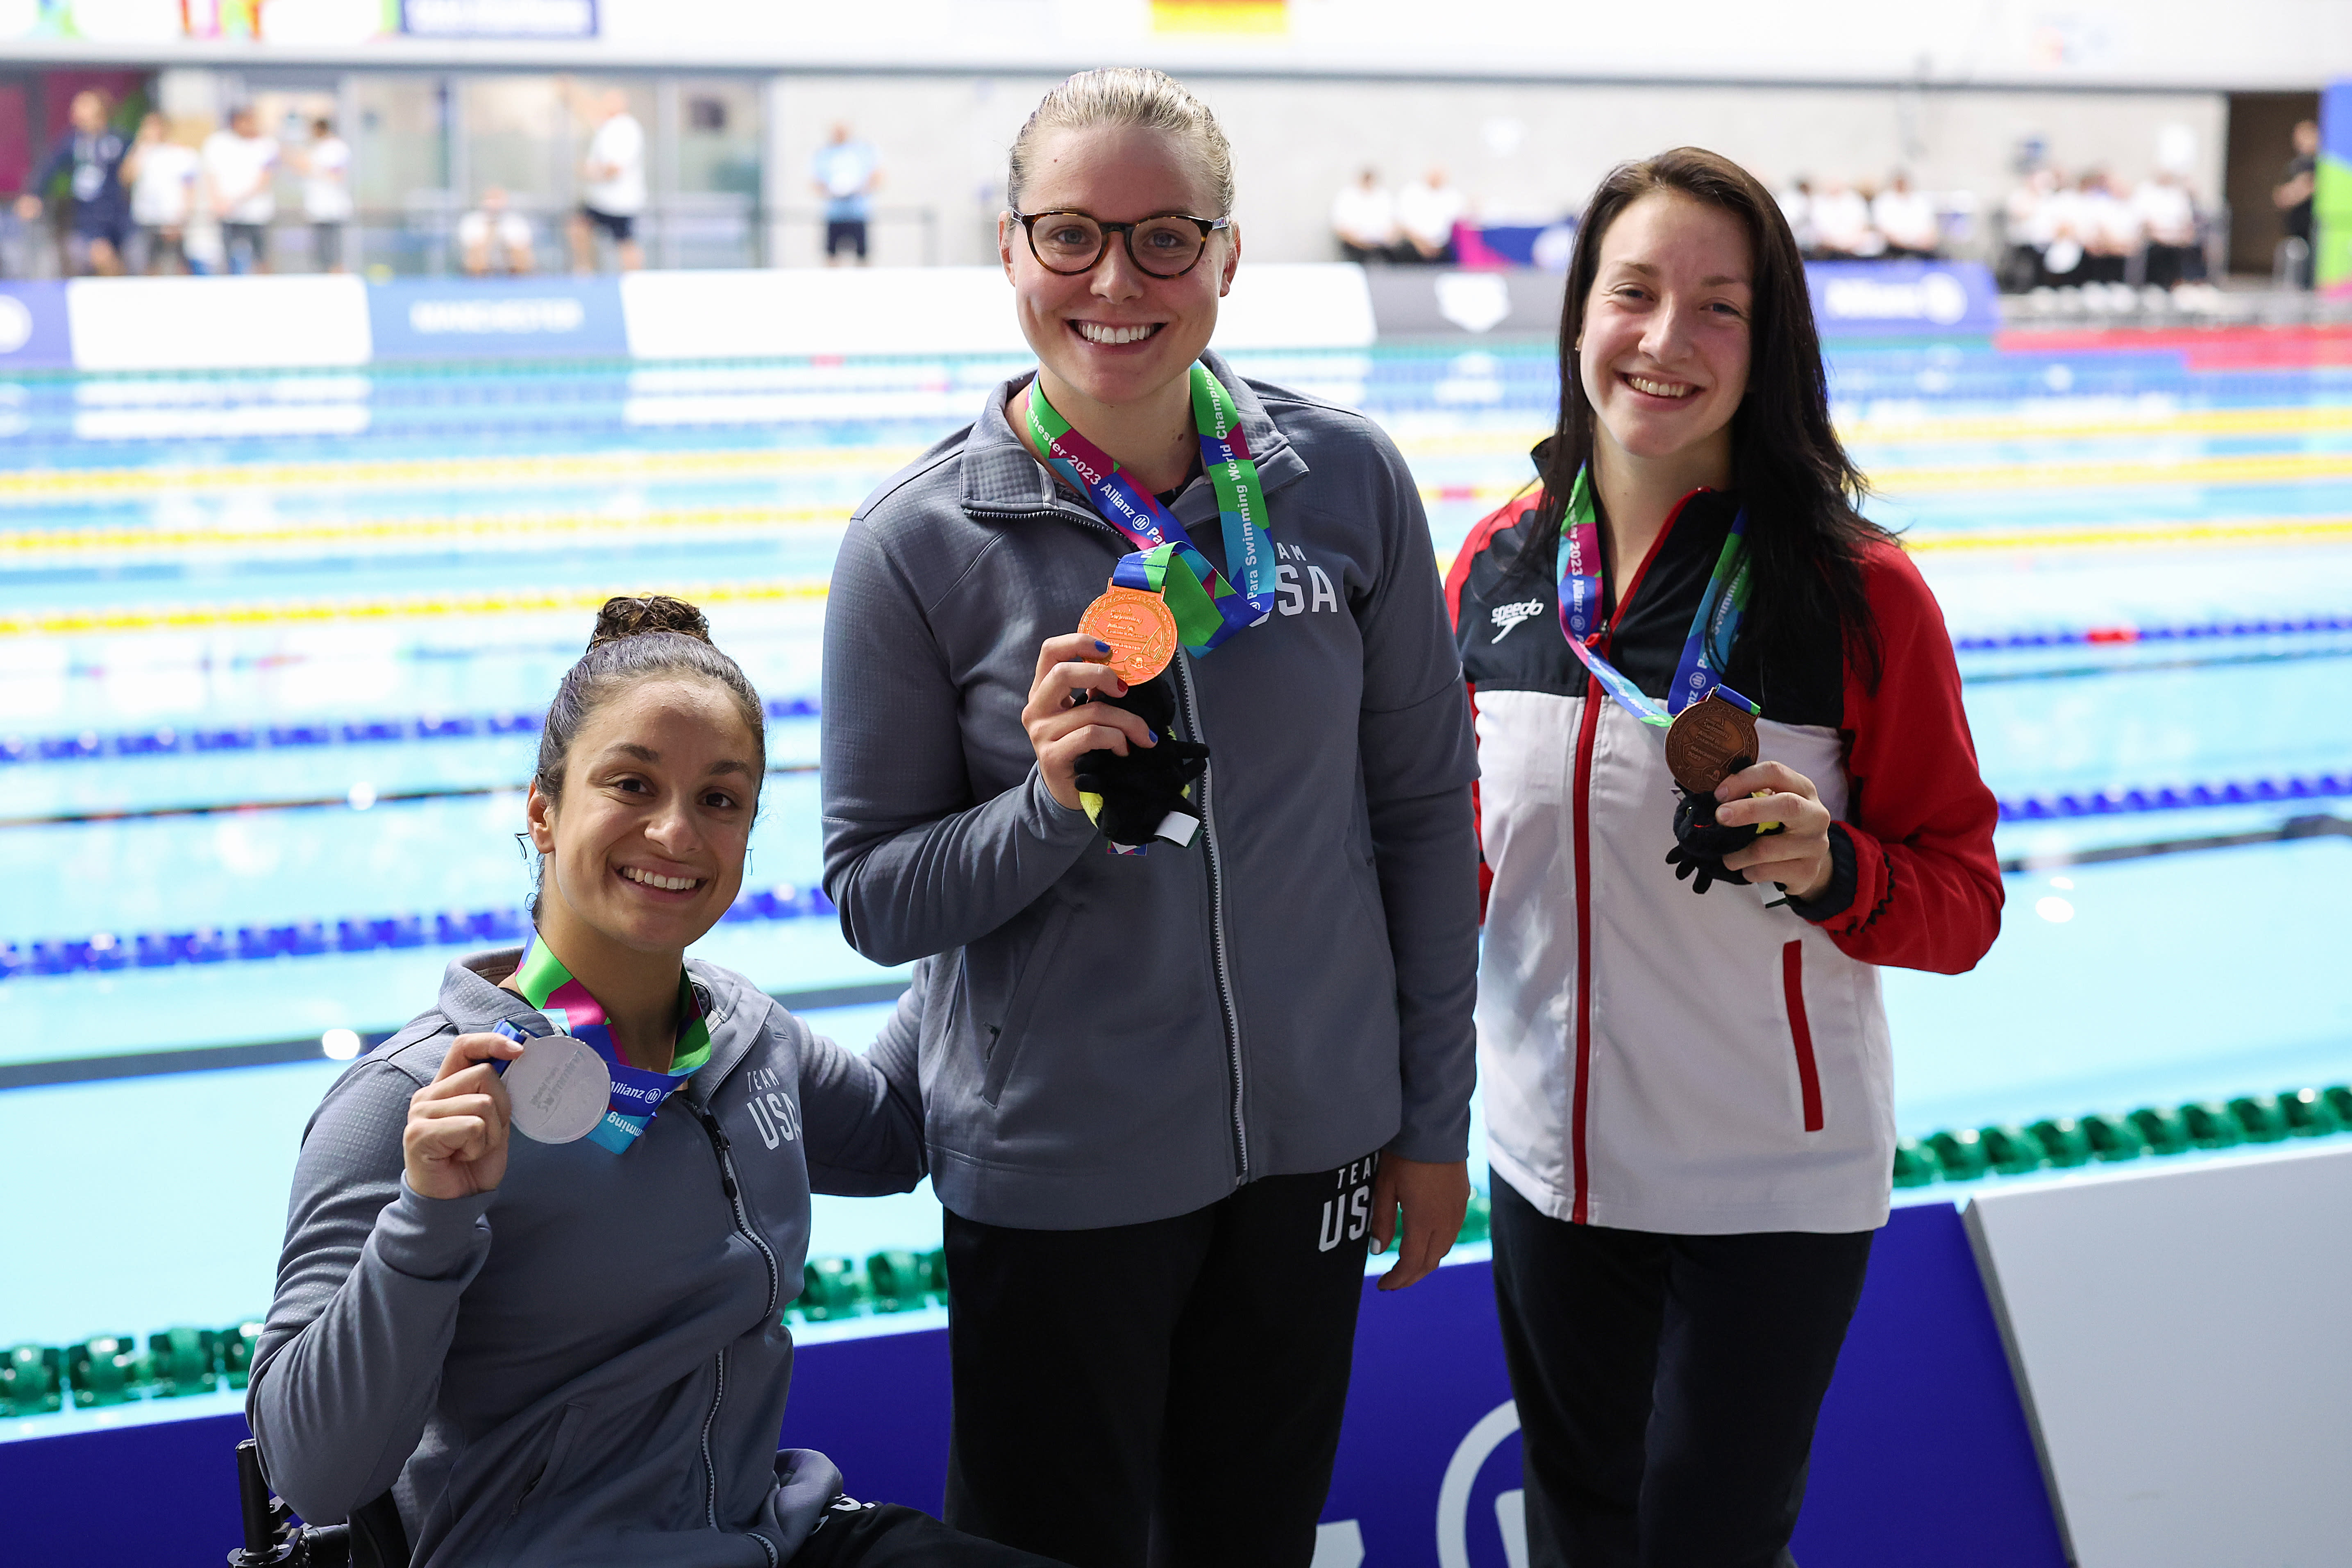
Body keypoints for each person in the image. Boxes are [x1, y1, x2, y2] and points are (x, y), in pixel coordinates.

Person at [821, 66, 1479, 1568]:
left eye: (1164, 238)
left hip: (1308, 1151)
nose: (1114, 281)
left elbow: (1420, 816)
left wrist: (1424, 1117)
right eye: (1068, 235)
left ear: (1226, 260)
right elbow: (869, 896)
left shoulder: (1342, 483)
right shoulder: (917, 543)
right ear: (1008, 252)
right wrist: (1047, 806)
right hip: (1057, 1174)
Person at [247, 595, 1069, 1568]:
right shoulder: (411, 1099)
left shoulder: (740, 1033)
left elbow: (894, 1132)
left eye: (720, 800)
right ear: (543, 810)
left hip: (778, 1532)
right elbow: (313, 1472)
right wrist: (427, 1219)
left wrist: (994, 865)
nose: (677, 833)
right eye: (632, 784)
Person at [1446, 147, 2000, 1568]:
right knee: (1578, 1533)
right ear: (1579, 316)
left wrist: (1837, 868)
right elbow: (1453, 860)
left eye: (1719, 308)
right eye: (1634, 293)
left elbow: (1963, 898)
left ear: (1773, 344)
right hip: (1549, 1170)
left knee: (1707, 1542)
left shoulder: (1855, 594)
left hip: (1768, 1183)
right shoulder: (1497, 564)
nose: (1665, 341)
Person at [14, 89, 132, 277]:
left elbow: (134, 167)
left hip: (120, 220)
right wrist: (33, 195)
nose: (76, 111)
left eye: (83, 105)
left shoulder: (119, 141)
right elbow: (48, 169)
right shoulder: (73, 142)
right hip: (87, 222)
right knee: (94, 258)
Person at [563, 81, 646, 272]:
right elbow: (587, 109)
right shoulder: (607, 126)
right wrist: (570, 90)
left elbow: (614, 170)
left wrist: (590, 171)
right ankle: (585, 271)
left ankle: (634, 280)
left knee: (625, 242)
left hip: (621, 203)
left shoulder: (627, 130)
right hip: (600, 200)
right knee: (578, 227)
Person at [203, 104, 279, 274]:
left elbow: (265, 179)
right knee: (227, 259)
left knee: (262, 259)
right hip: (227, 214)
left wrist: (235, 201)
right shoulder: (218, 143)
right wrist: (218, 202)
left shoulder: (267, 145)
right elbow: (210, 175)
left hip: (258, 213)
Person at [124, 111, 199, 274]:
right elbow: (126, 177)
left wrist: (182, 217)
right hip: (147, 218)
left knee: (180, 264)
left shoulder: (181, 154)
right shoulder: (141, 152)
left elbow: (189, 188)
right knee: (150, 264)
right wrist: (140, 145)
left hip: (172, 218)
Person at [811, 121, 881, 266]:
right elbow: (815, 182)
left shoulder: (861, 152)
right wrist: (832, 191)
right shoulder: (825, 154)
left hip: (858, 213)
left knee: (863, 255)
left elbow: (877, 177)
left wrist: (860, 188)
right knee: (832, 255)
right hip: (834, 214)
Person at [297, 116, 354, 273]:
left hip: (332, 210)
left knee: (333, 255)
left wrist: (311, 168)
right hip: (317, 210)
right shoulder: (317, 148)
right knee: (321, 257)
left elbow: (336, 176)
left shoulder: (337, 148)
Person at [2134, 167, 2204, 291]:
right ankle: (2156, 286)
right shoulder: (2146, 191)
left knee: (2194, 248)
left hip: (2176, 237)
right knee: (2161, 250)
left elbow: (2186, 221)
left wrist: (2181, 236)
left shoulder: (2177, 193)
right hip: (2155, 237)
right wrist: (2162, 235)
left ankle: (2186, 285)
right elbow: (2145, 221)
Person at [2275, 118, 2318, 290]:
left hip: (2314, 231)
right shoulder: (2295, 165)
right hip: (2296, 231)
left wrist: (2300, 189)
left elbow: (2307, 188)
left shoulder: (2321, 165)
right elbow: (2281, 196)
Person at [457, 186, 536, 276]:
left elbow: (521, 249)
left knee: (520, 252)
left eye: (498, 199)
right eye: (491, 199)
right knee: (476, 253)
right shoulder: (472, 221)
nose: (494, 204)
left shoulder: (516, 222)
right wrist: (491, 231)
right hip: (480, 271)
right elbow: (474, 249)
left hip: (510, 270)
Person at [1331, 166, 1401, 262]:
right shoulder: (1347, 197)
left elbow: (1396, 221)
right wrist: (1360, 243)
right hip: (1356, 245)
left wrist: (1391, 237)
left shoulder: (1384, 196)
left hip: (1383, 244)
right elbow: (1340, 227)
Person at [1398, 163, 1465, 263]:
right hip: (1414, 245)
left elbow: (1457, 223)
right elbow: (1402, 223)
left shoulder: (1452, 196)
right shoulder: (1412, 193)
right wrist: (1420, 243)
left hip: (1443, 248)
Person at [1871, 170, 1940, 258]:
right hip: (1893, 247)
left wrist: (1921, 242)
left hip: (1921, 246)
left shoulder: (1920, 201)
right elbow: (1883, 230)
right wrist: (1903, 242)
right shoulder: (1884, 201)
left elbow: (1931, 230)